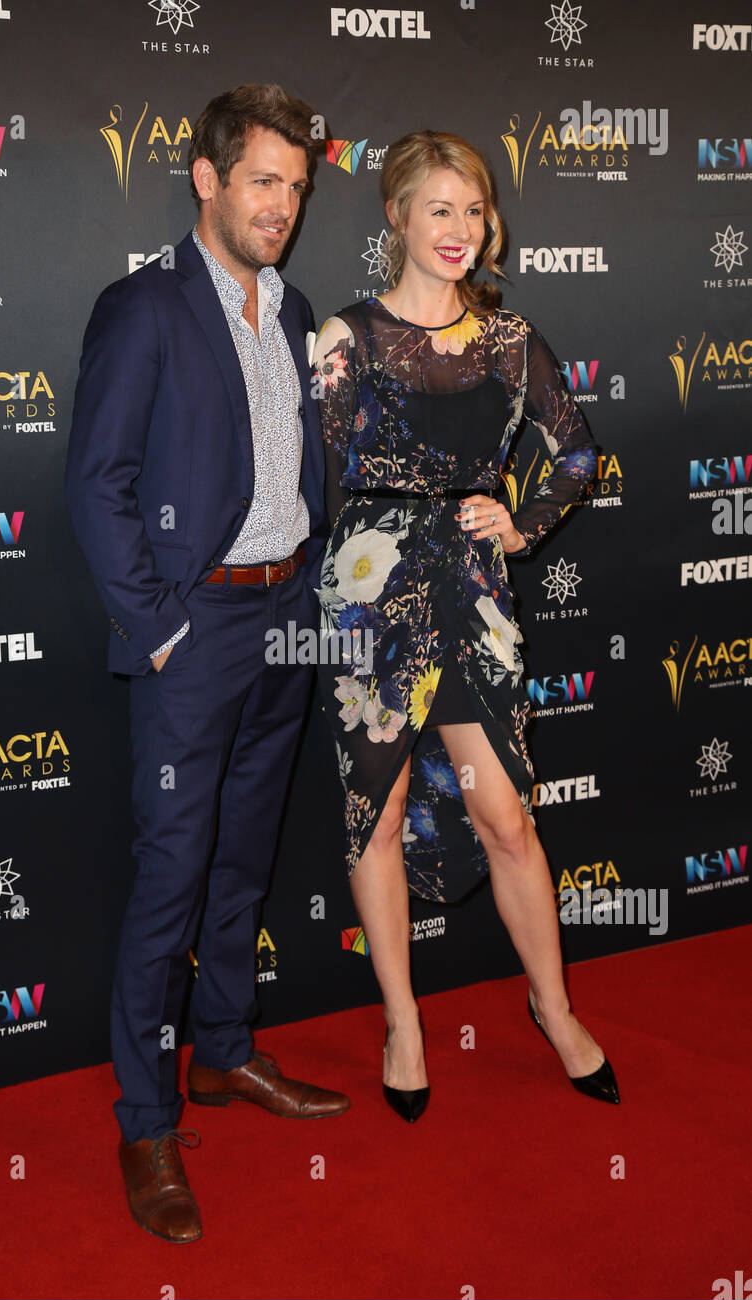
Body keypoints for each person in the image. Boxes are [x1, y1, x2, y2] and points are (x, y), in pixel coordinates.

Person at [65, 84, 349, 1245]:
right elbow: (97, 487)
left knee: (243, 862)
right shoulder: (143, 307)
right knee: (172, 876)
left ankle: (223, 1056)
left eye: (295, 184)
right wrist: (164, 627)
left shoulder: (296, 311)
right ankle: (145, 1118)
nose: (280, 205)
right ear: (206, 178)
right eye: (261, 182)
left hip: (287, 614)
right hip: (198, 632)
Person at [310, 130, 620, 1122]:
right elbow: (314, 483)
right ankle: (403, 1022)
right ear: (394, 216)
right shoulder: (343, 339)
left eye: (473, 210)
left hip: (474, 602)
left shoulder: (507, 339)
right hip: (370, 603)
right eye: (436, 208)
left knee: (506, 820)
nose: (457, 229)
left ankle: (552, 1005)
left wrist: (516, 522)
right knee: (382, 816)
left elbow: (574, 453)